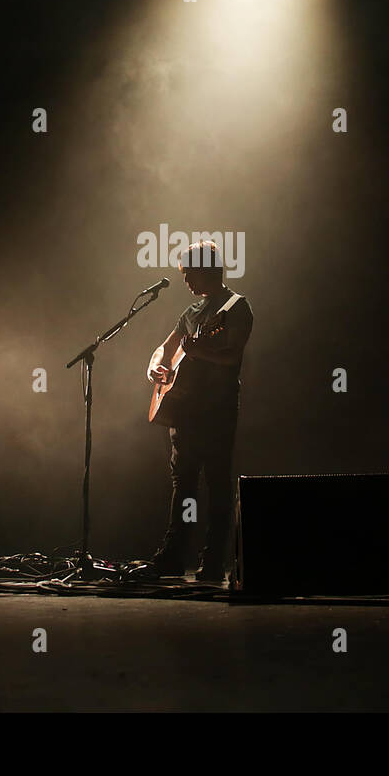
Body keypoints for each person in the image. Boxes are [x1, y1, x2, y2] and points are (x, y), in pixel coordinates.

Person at [145, 240, 253, 583]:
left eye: (189, 273)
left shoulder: (236, 307)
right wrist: (156, 367)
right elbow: (165, 348)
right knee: (183, 483)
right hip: (184, 409)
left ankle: (213, 561)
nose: (186, 281)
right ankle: (173, 556)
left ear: (207, 270)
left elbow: (231, 357)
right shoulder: (190, 313)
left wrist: (198, 352)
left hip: (217, 409)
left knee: (217, 483)